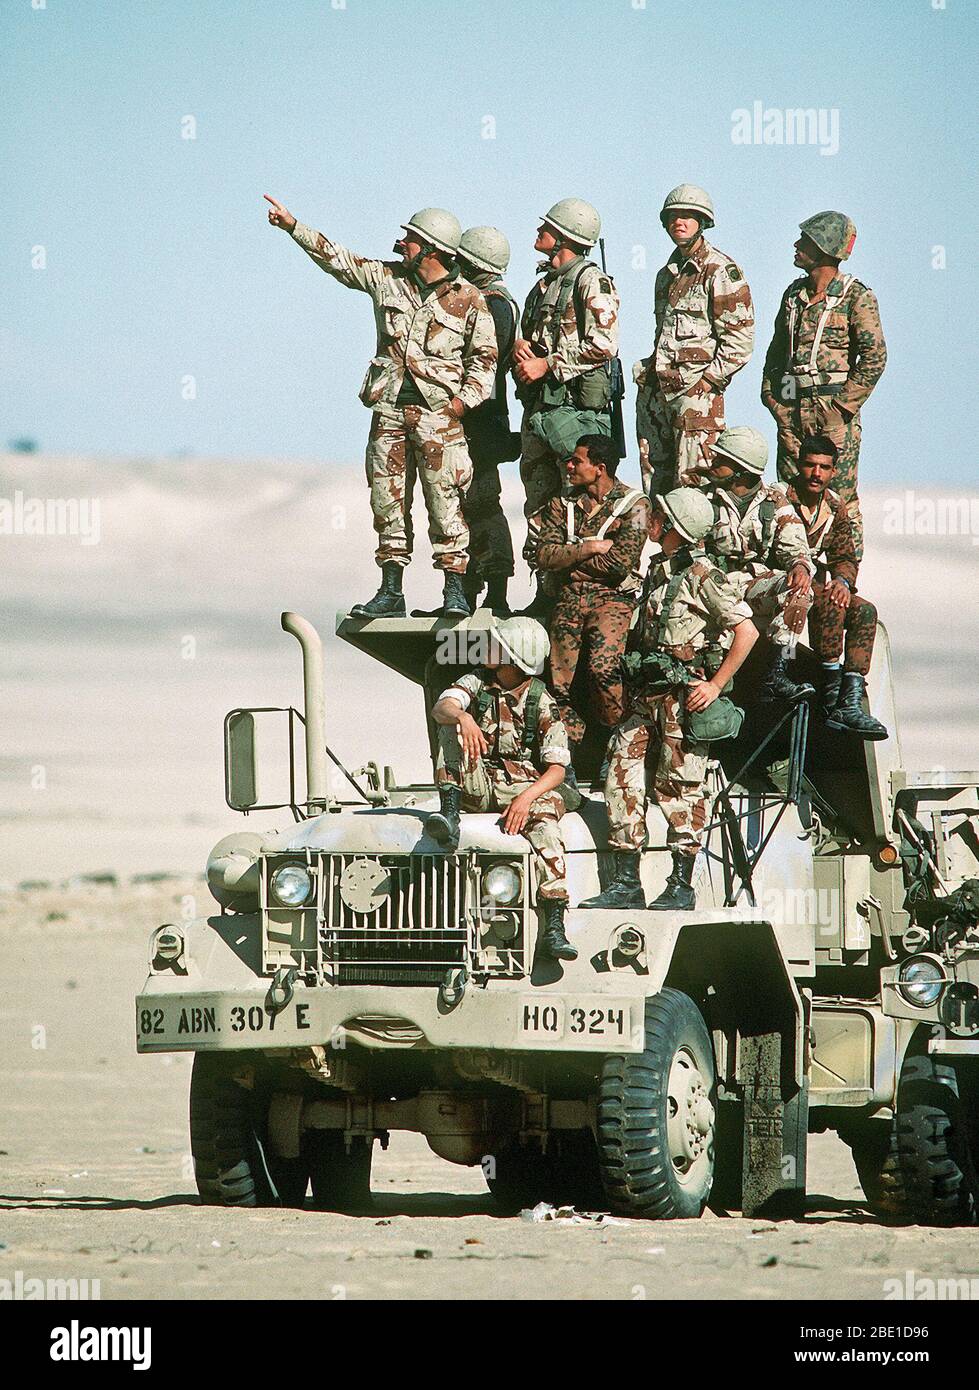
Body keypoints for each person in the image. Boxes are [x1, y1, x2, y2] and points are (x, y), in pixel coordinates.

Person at [265, 195, 497, 618]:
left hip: (439, 419)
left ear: (432, 249)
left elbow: (484, 360)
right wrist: (292, 225)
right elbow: (339, 260)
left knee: (446, 502)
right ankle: (391, 590)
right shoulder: (387, 279)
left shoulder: (469, 299)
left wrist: (460, 406)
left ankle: (454, 593)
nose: (403, 243)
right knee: (387, 502)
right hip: (389, 411)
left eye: (411, 238)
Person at [581, 488, 758, 912]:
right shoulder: (658, 573)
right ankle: (626, 883)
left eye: (659, 515)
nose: (652, 521)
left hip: (682, 700)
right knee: (621, 779)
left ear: (675, 527)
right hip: (646, 695)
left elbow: (747, 632)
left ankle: (681, 884)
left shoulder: (702, 575)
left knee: (679, 788)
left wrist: (714, 685)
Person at [428, 617, 577, 961]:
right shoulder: (476, 682)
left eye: (498, 645)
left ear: (513, 657)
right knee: (449, 725)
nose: (488, 649)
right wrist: (463, 717)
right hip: (477, 780)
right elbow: (442, 707)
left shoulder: (541, 701)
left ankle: (554, 926)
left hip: (522, 784)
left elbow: (557, 769)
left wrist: (526, 799)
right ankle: (449, 813)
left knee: (547, 829)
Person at [512, 199, 620, 615]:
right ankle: (545, 590)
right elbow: (531, 341)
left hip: (575, 413)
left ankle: (574, 592)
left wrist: (548, 364)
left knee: (575, 501)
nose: (540, 231)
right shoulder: (543, 285)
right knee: (538, 501)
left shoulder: (592, 282)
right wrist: (519, 348)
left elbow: (604, 345)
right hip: (541, 413)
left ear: (567, 236)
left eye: (548, 227)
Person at [761, 211, 887, 562]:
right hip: (793, 409)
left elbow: (875, 358)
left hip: (834, 414)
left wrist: (842, 409)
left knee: (840, 498)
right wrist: (777, 405)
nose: (796, 246)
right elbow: (776, 359)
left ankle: (844, 580)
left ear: (822, 248)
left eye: (804, 241)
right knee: (790, 492)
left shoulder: (855, 296)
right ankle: (794, 573)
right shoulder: (792, 296)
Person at [535, 434, 650, 771]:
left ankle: (619, 740)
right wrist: (587, 548)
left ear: (600, 468)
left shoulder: (636, 506)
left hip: (612, 600)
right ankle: (566, 754)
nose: (569, 466)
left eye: (577, 461)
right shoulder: (562, 504)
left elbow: (619, 564)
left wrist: (569, 561)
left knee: (604, 669)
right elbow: (544, 554)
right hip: (569, 598)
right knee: (560, 683)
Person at [635, 184, 754, 498]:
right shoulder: (666, 274)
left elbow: (739, 341)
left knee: (695, 486)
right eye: (674, 217)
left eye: (688, 216)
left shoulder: (719, 270)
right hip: (661, 393)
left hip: (696, 398)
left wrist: (708, 381)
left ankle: (698, 548)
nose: (679, 222)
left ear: (702, 222)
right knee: (657, 486)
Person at [701, 426, 816, 704]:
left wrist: (800, 565)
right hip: (712, 586)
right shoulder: (704, 498)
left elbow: (794, 543)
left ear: (741, 470)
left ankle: (777, 672)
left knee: (800, 591)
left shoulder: (774, 501)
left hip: (752, 582)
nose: (713, 463)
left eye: (722, 460)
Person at [787, 434, 888, 739]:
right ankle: (831, 694)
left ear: (833, 471)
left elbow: (844, 554)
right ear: (799, 465)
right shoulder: (780, 498)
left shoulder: (834, 505)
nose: (816, 474)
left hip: (817, 585)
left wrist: (843, 581)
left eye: (824, 467)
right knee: (830, 603)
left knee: (865, 611)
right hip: (784, 582)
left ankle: (851, 698)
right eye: (810, 465)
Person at [450, 225, 519, 614]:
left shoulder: (491, 305)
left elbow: (482, 366)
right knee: (462, 506)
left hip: (479, 419)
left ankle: (494, 595)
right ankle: (469, 594)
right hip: (480, 418)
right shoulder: (495, 301)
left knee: (481, 504)